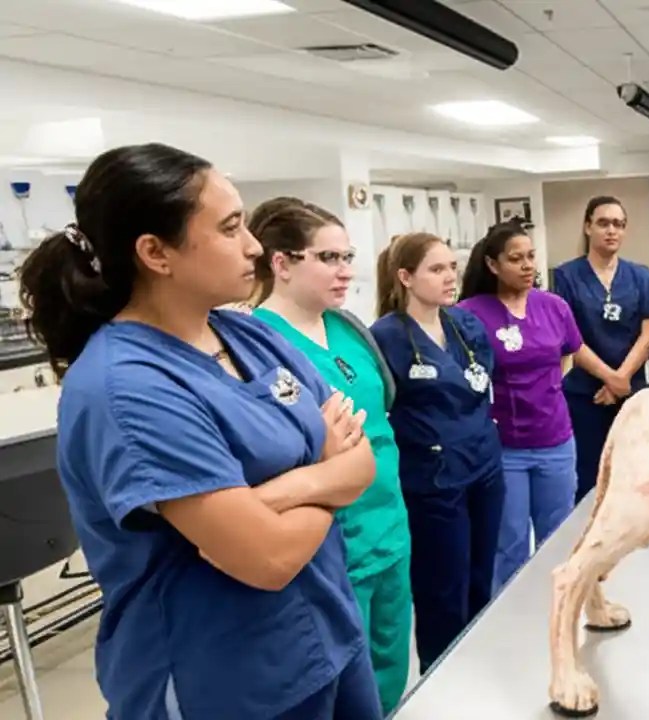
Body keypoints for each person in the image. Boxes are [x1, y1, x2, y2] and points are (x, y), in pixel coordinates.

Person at [19, 143, 382, 718]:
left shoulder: (248, 336)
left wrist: (281, 493)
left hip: (326, 638)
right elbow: (266, 558)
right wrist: (325, 473)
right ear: (155, 252)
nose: (255, 245)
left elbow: (362, 463)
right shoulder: (127, 388)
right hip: (221, 679)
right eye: (230, 227)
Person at [247, 196, 412, 715]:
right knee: (346, 674)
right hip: (333, 536)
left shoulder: (346, 328)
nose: (346, 272)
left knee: (391, 660)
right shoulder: (258, 343)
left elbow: (382, 406)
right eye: (329, 258)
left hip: (389, 521)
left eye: (347, 257)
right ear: (282, 263)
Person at [370, 232, 504, 674]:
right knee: (443, 587)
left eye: (452, 267)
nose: (451, 277)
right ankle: (444, 677)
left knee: (481, 577)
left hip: (483, 466)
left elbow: (481, 383)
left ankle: (482, 665)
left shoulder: (464, 325)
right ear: (405, 277)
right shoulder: (385, 337)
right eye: (437, 269)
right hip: (433, 479)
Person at [458, 222, 612, 590]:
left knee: (557, 538)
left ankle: (559, 611)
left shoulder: (553, 307)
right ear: (493, 265)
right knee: (509, 543)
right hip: (504, 445)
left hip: (555, 439)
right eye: (516, 259)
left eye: (531, 257)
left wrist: (554, 381)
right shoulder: (469, 313)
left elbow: (570, 352)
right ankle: (510, 625)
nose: (528, 266)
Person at [552, 196, 649, 503]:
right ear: (588, 227)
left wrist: (622, 379)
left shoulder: (640, 276)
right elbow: (569, 336)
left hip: (632, 392)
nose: (611, 230)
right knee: (589, 477)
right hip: (585, 393)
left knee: (635, 475)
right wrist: (608, 377)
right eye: (603, 223)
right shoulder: (566, 276)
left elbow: (648, 332)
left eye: (618, 224)